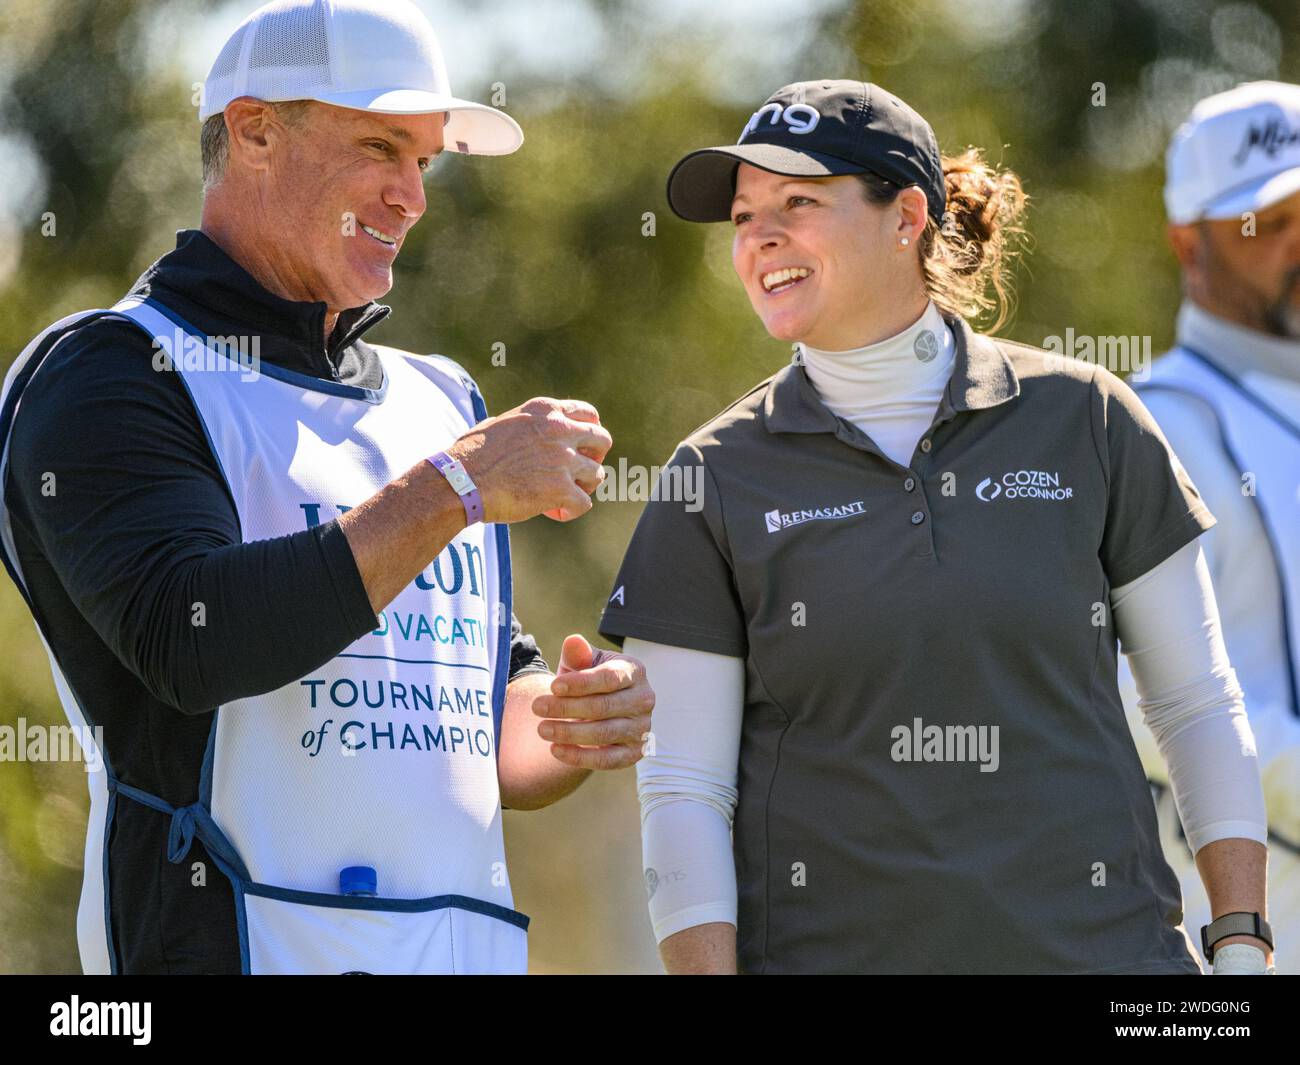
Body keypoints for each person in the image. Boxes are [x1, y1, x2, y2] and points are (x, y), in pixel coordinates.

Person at [0, 0, 654, 975]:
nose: (412, 197)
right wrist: (456, 486)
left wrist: (565, 719)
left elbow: (480, 725)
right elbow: (193, 637)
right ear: (255, 128)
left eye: (425, 160)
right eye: (381, 147)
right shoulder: (112, 370)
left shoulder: (442, 399)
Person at [598, 79, 1273, 974]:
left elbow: (1195, 702)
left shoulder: (1090, 419)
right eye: (744, 214)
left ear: (906, 214)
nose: (760, 236)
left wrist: (1238, 943)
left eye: (799, 201)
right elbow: (684, 787)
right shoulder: (710, 476)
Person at [1117, 80, 1300, 975]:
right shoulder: (1145, 423)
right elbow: (1125, 685)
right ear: (1189, 244)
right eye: (1270, 219)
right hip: (1215, 946)